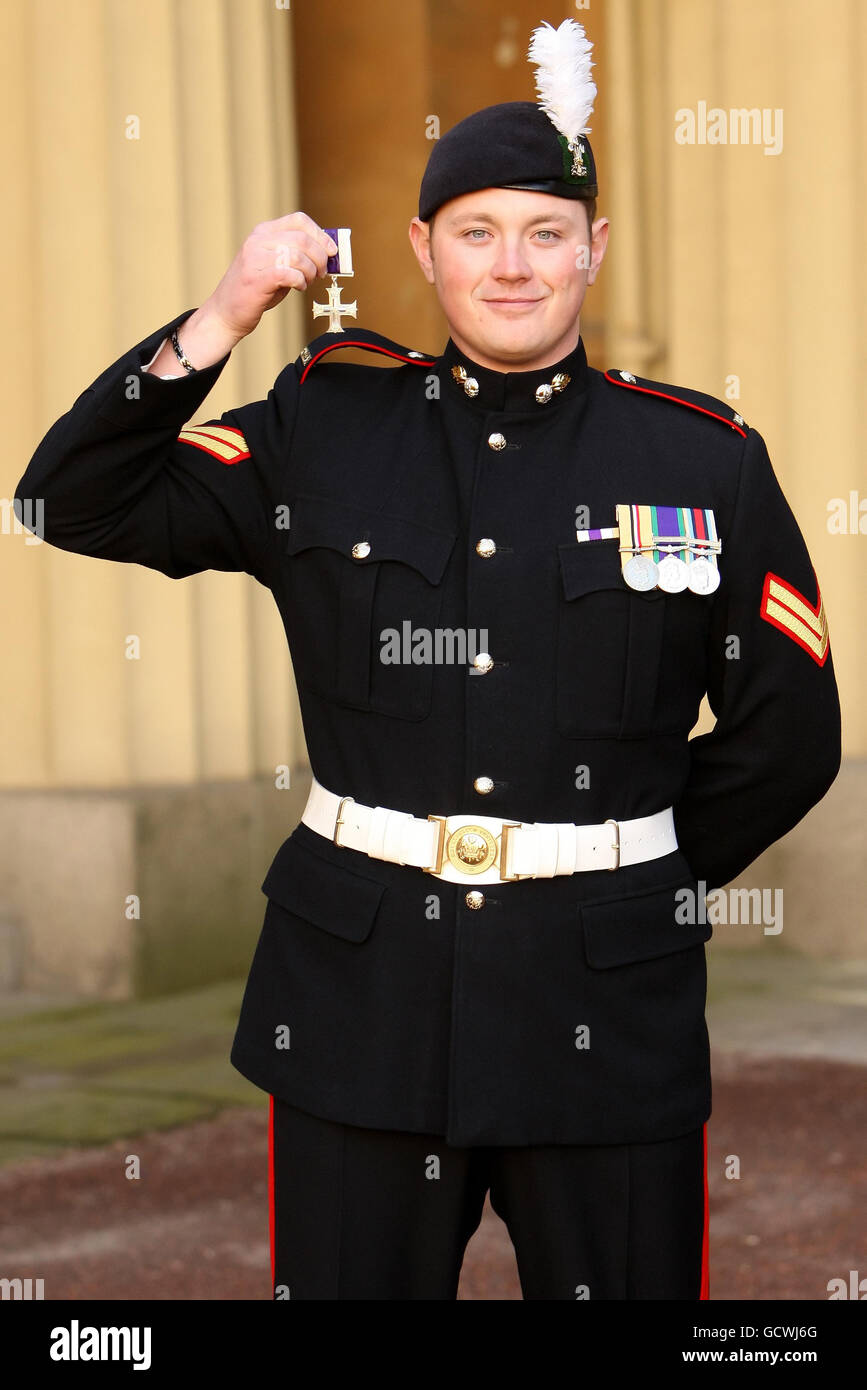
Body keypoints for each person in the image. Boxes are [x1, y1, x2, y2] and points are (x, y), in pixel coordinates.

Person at [15, 19, 840, 1300]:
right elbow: (64, 503)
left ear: (595, 250)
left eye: (546, 233)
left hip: (602, 1016)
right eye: (476, 232)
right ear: (422, 251)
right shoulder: (327, 427)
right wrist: (225, 311)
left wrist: (633, 876)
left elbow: (791, 732)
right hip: (362, 1006)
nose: (513, 267)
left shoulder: (702, 461)